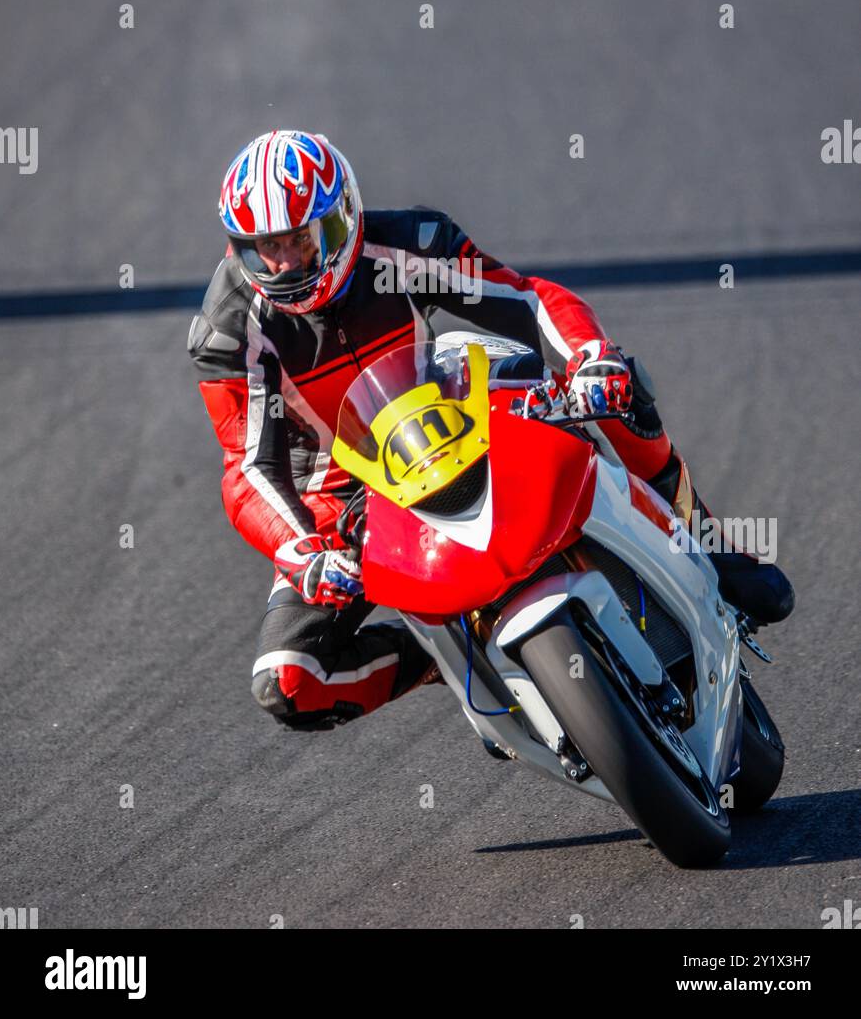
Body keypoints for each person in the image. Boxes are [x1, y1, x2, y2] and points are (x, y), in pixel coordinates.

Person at [188, 129, 794, 733]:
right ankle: (442, 658)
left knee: (618, 386)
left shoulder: (405, 243)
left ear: (343, 219)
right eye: (265, 247)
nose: (286, 262)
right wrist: (301, 549)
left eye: (299, 238)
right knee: (287, 682)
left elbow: (525, 300)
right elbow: (247, 466)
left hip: (447, 425)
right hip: (337, 500)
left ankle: (704, 537)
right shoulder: (232, 327)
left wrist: (592, 356)